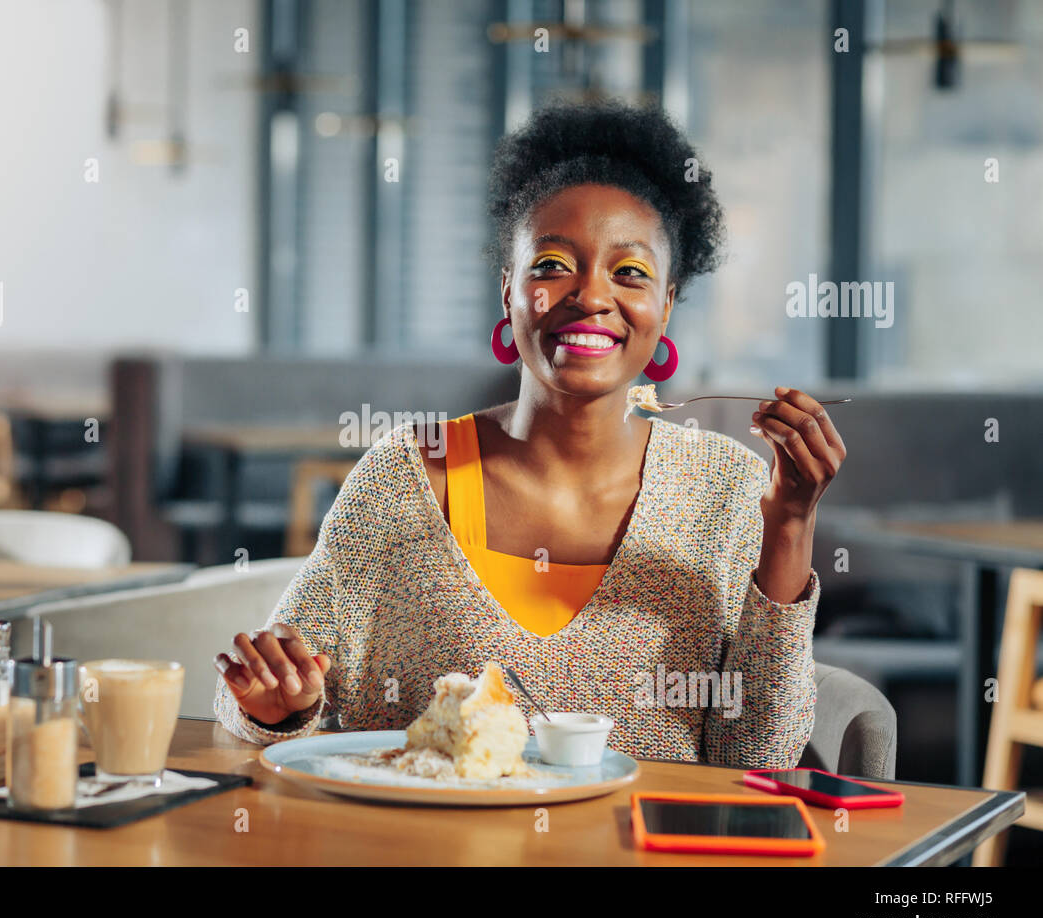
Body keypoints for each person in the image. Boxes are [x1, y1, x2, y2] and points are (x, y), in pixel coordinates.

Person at [213, 99, 845, 767]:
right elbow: (257, 703)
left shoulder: (730, 488)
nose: (591, 296)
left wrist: (791, 523)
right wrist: (272, 704)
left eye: (629, 272)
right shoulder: (405, 474)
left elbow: (762, 758)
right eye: (551, 265)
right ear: (507, 288)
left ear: (666, 303)